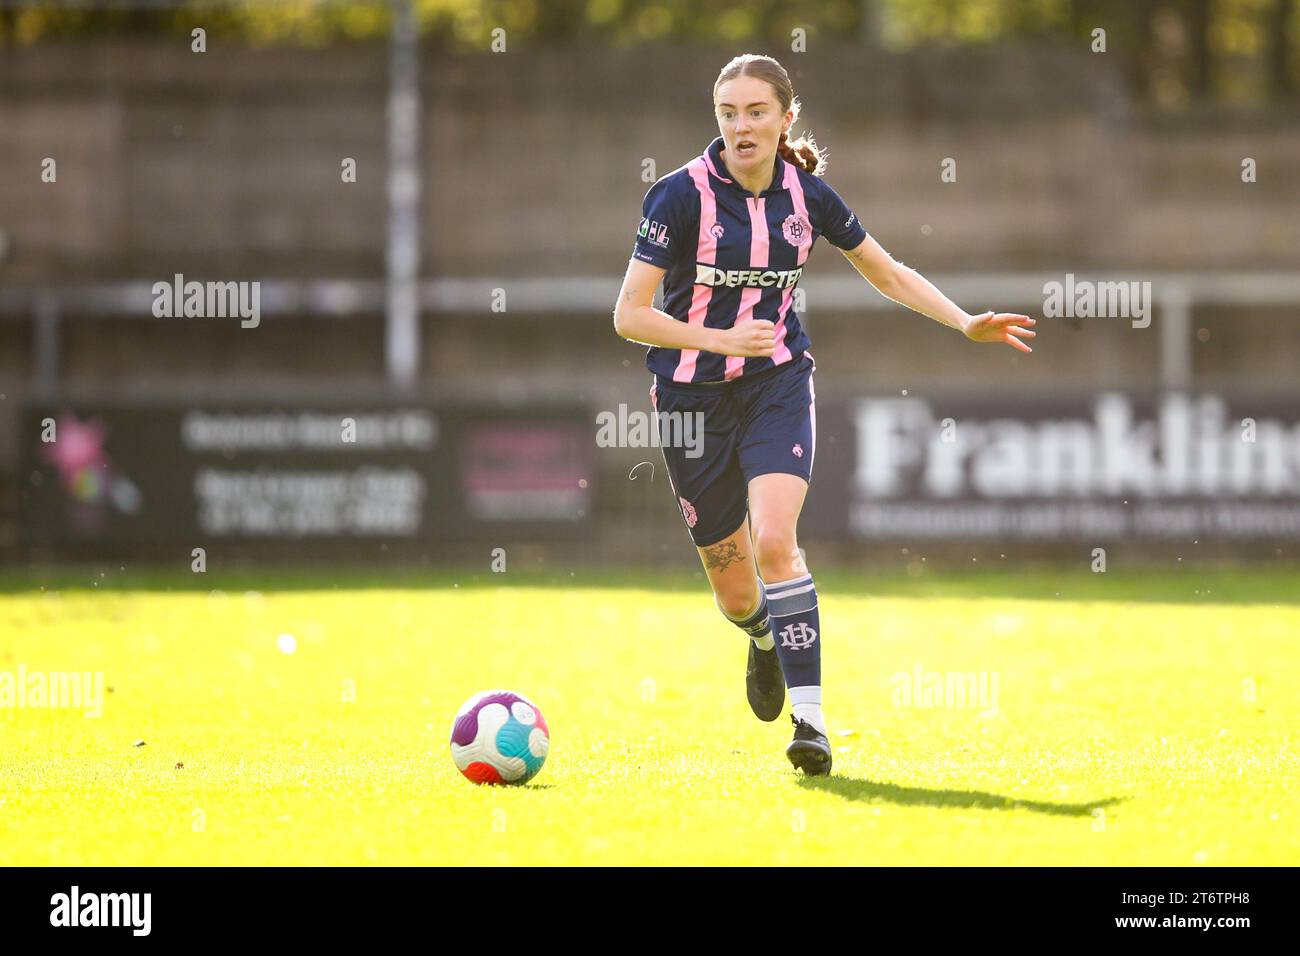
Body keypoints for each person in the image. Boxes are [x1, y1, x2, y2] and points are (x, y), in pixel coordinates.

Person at [612, 53, 1035, 775]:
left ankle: (812, 724)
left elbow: (887, 270)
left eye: (754, 112)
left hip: (776, 385)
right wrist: (716, 338)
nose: (741, 126)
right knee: (736, 588)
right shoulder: (678, 198)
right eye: (727, 112)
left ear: (785, 117)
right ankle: (763, 639)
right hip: (689, 402)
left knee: (777, 543)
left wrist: (964, 322)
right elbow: (629, 315)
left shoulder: (808, 197)